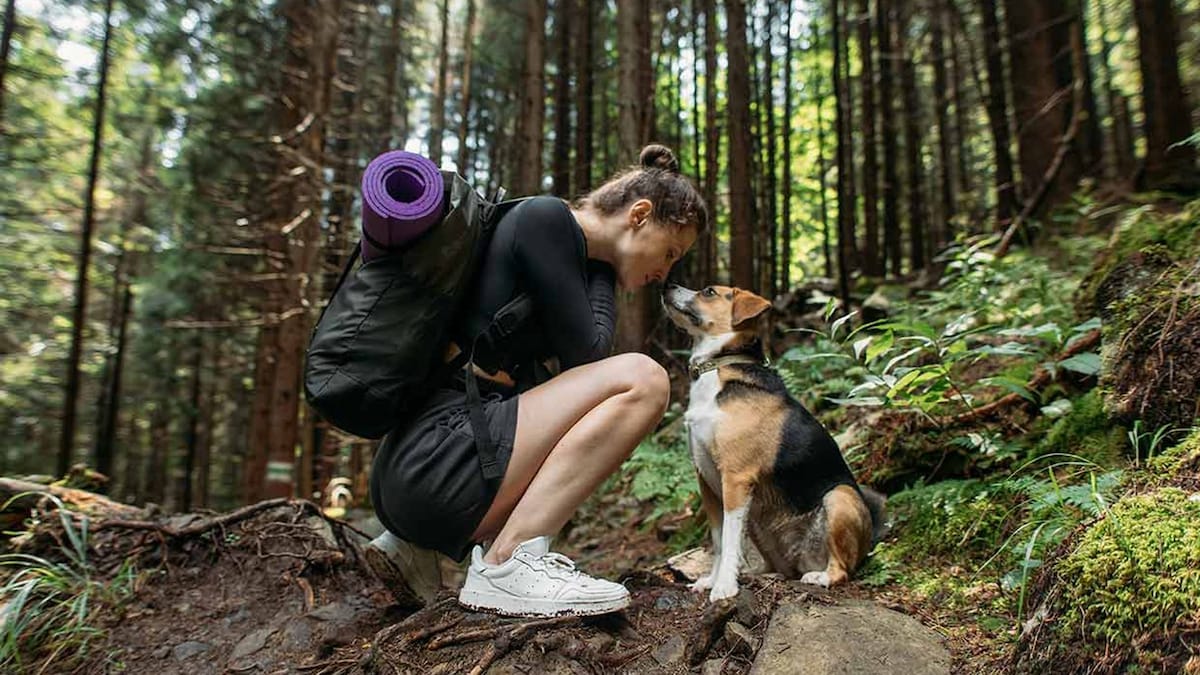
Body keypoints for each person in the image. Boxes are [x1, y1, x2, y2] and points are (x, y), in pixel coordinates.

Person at [364, 144, 707, 617]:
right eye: (669, 252)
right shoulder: (545, 220)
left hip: (425, 467)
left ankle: (419, 551)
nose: (664, 273)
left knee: (589, 402)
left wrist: (604, 261)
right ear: (639, 214)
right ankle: (508, 564)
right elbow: (590, 355)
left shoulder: (563, 249)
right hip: (435, 460)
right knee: (644, 380)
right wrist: (608, 265)